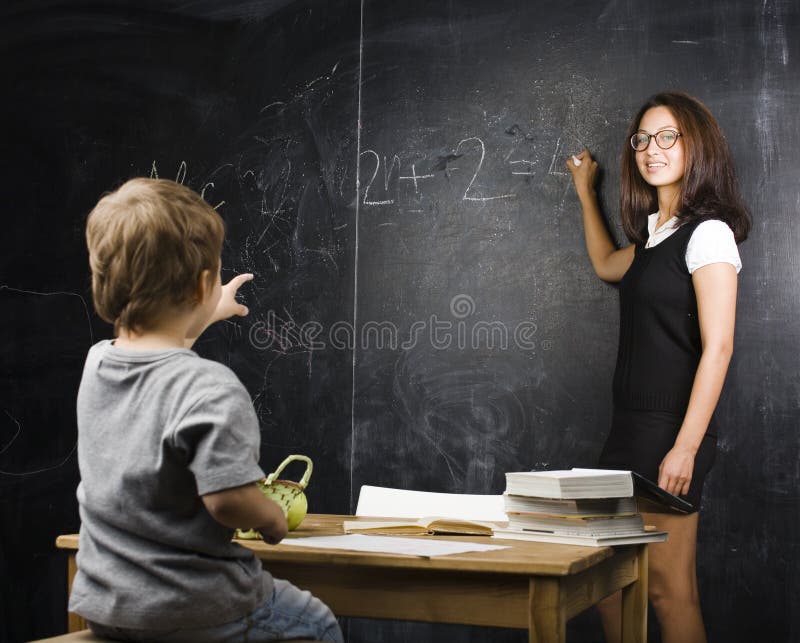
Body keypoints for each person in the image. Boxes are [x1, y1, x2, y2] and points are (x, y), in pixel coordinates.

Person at [71, 177, 343, 643]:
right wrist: (271, 520)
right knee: (316, 623)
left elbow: (159, 376)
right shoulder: (212, 387)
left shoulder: (99, 362)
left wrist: (205, 313)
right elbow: (227, 500)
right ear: (202, 283)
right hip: (192, 604)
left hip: (107, 603)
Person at [566, 91, 750, 643]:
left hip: (671, 432)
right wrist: (583, 192)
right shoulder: (653, 238)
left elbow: (719, 347)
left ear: (697, 146)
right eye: (643, 138)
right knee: (609, 588)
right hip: (627, 429)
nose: (652, 149)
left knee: (671, 591)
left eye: (667, 136)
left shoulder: (708, 233)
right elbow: (605, 263)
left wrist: (686, 447)